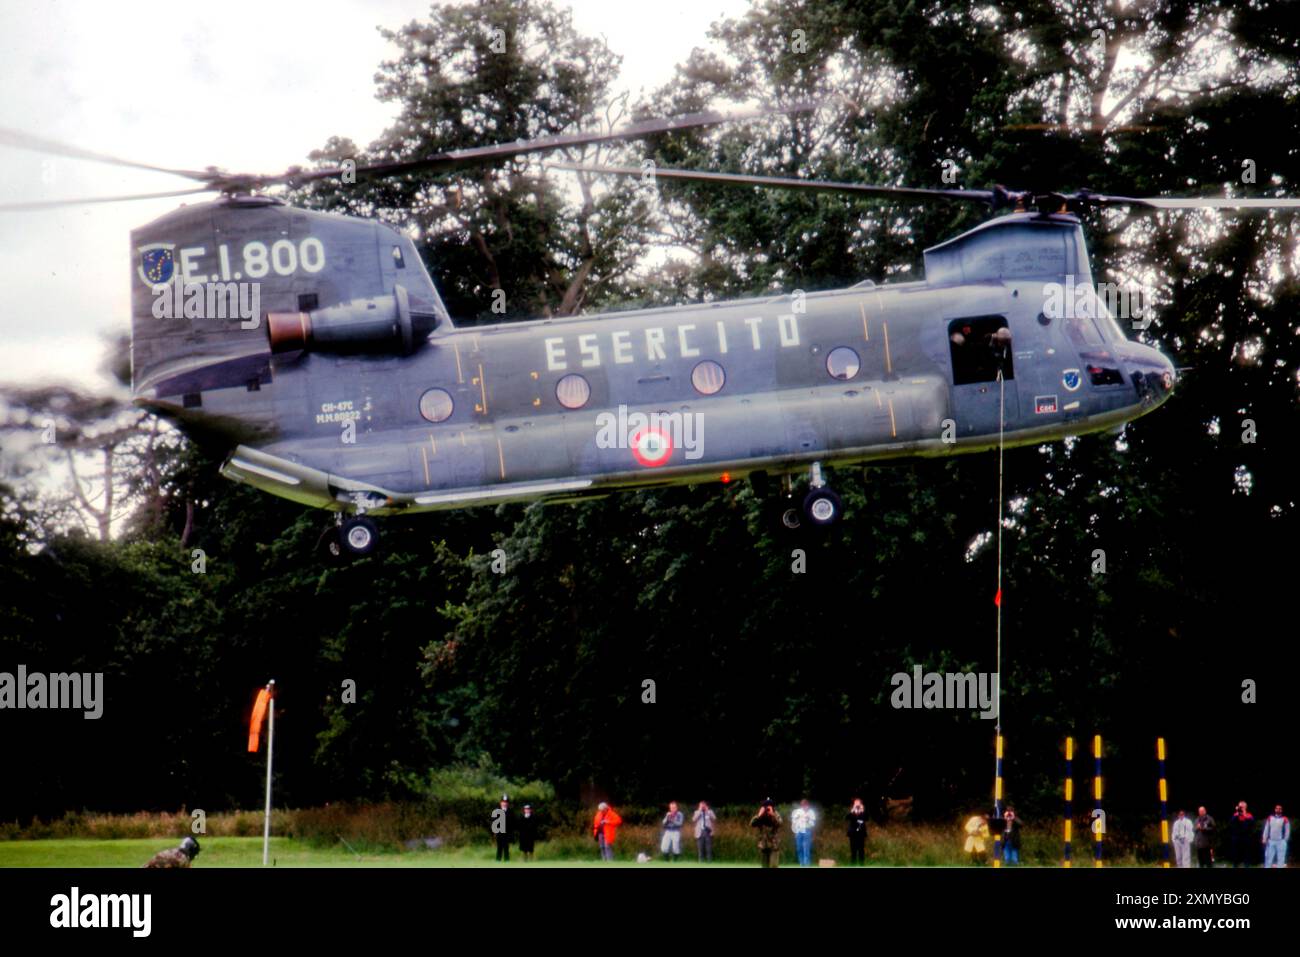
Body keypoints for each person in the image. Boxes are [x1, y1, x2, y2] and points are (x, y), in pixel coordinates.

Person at [750, 798, 783, 868]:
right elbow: (752, 824)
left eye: (768, 806)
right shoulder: (760, 816)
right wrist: (759, 815)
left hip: (774, 845)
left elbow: (779, 823)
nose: (766, 808)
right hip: (763, 845)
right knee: (765, 866)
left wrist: (772, 815)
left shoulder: (776, 814)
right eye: (765, 806)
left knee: (773, 866)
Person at [1227, 801, 1255, 867]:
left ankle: (1247, 865)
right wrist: (1237, 813)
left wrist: (1244, 815)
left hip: (1246, 837)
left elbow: (1252, 823)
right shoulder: (1235, 815)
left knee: (1246, 853)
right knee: (1235, 852)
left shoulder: (1249, 815)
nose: (1241, 808)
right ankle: (1235, 864)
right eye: (1240, 807)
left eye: (1242, 807)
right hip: (1236, 837)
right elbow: (1231, 823)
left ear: (1245, 807)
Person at [791, 798, 817, 867]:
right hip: (799, 831)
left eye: (805, 805)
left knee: (806, 848)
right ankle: (801, 864)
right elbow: (794, 822)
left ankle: (807, 865)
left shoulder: (811, 812)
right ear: (801, 806)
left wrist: (808, 820)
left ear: (808, 805)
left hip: (807, 831)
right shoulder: (798, 812)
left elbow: (813, 824)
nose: (804, 806)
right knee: (799, 848)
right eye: (802, 805)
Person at [846, 798, 869, 865]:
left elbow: (867, 818)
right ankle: (853, 865)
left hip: (861, 833)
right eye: (856, 803)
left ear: (861, 804)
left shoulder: (863, 811)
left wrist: (863, 811)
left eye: (858, 803)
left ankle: (861, 865)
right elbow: (846, 818)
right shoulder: (852, 811)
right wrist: (852, 811)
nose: (857, 805)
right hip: (852, 834)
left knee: (861, 851)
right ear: (854, 804)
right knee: (853, 851)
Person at [493, 794, 513, 862]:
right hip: (499, 832)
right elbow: (494, 821)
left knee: (506, 847)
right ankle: (498, 859)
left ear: (507, 803)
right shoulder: (497, 811)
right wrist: (495, 831)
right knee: (499, 847)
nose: (504, 803)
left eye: (506, 802)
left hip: (507, 832)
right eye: (503, 802)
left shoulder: (510, 812)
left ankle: (507, 859)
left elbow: (512, 823)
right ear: (500, 802)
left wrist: (511, 832)